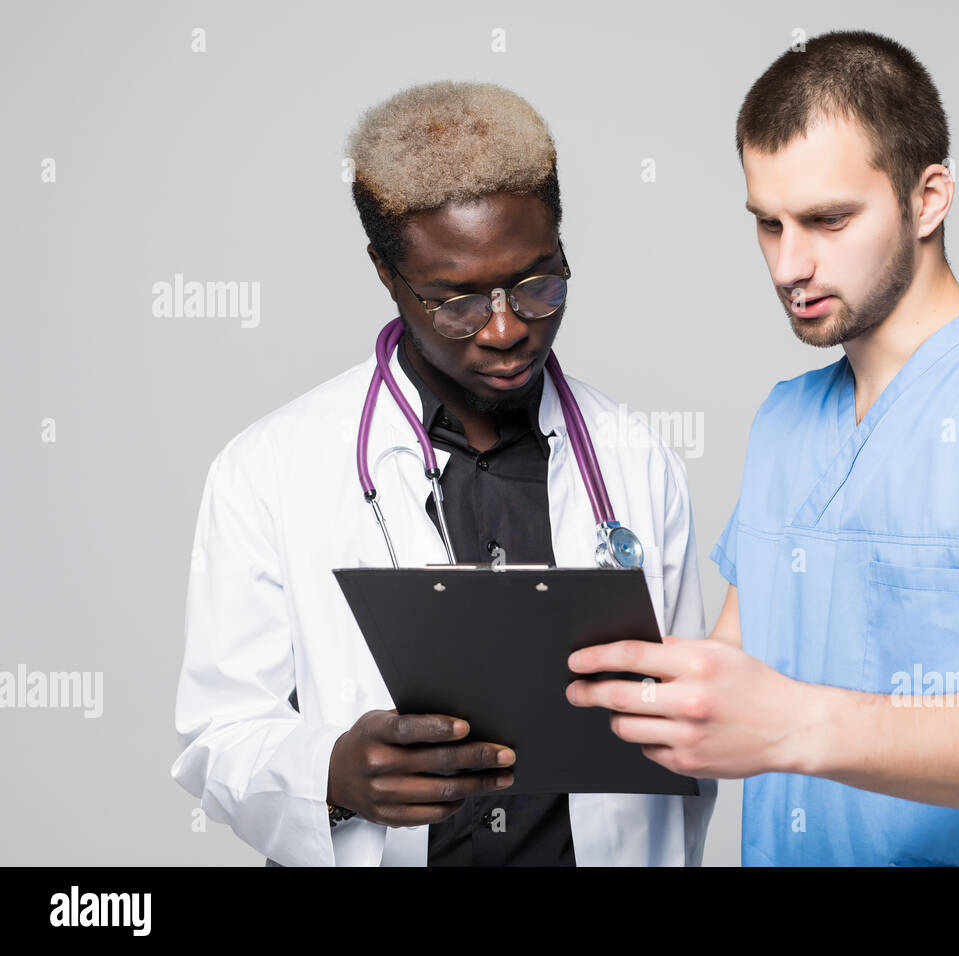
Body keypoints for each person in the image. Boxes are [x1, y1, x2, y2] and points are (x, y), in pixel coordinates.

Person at [566, 30, 959, 866]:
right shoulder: (786, 422)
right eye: (767, 225)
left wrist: (796, 726)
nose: (788, 264)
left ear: (929, 198)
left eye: (827, 220)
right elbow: (738, 672)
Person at [171, 80, 715, 866]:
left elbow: (686, 734)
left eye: (537, 284)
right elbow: (217, 736)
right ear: (387, 276)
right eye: (456, 301)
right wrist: (330, 775)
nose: (505, 329)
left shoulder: (636, 459)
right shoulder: (267, 471)